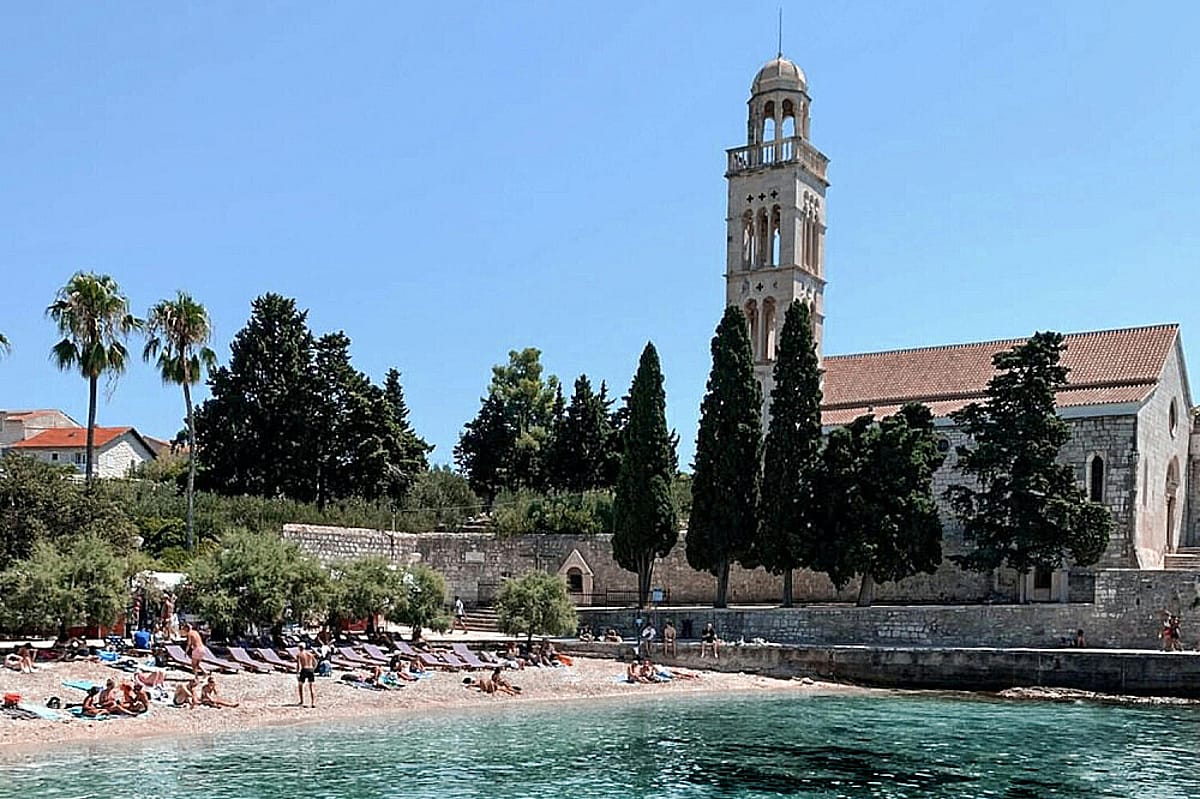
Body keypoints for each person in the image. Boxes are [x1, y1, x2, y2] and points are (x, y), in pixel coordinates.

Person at [295, 643, 318, 708]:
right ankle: (313, 703)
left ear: (299, 648)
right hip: (310, 669)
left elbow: (298, 664)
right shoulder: (310, 654)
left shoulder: (299, 655)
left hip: (304, 669)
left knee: (300, 685)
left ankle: (302, 701)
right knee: (311, 686)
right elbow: (315, 662)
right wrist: (313, 668)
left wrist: (297, 673)